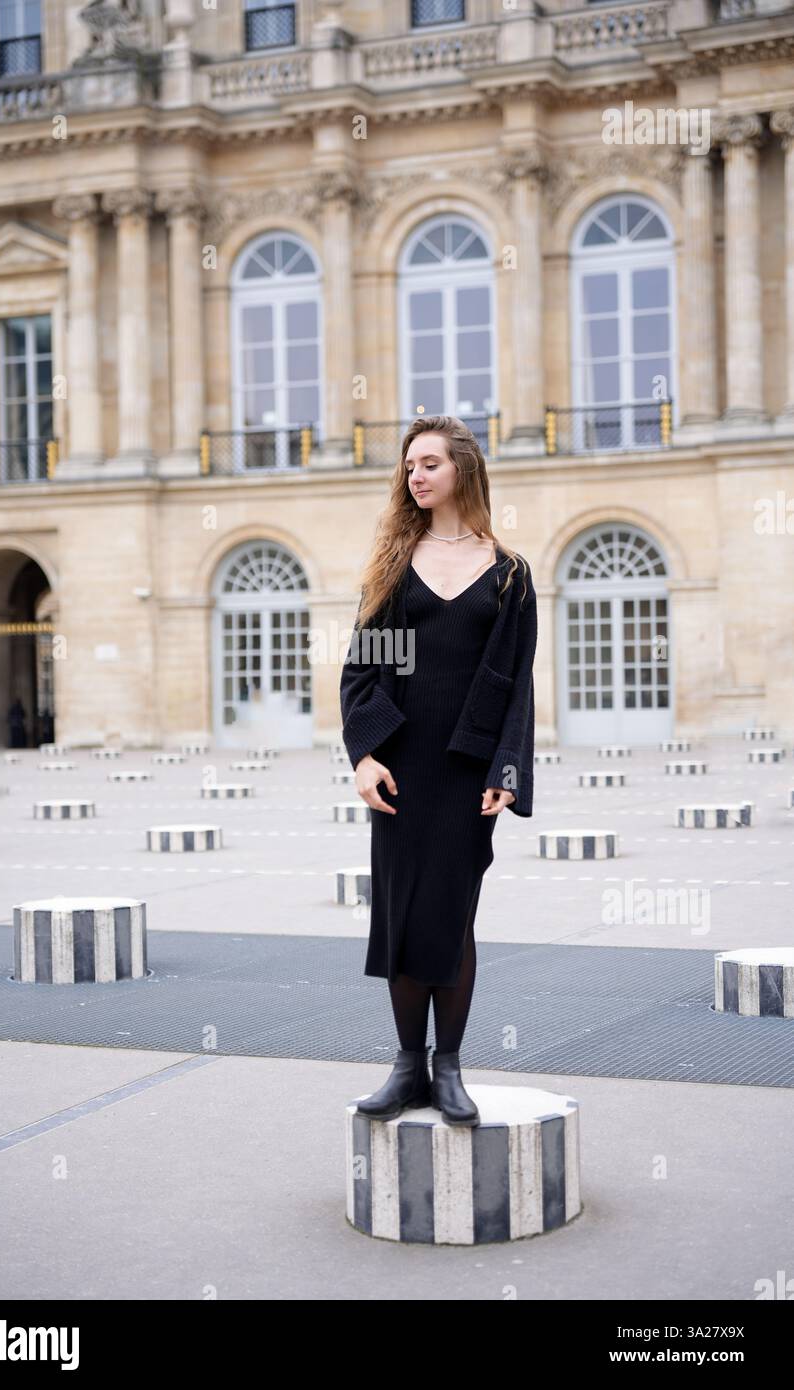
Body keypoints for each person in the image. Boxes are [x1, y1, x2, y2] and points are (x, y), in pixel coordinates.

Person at [340, 416, 537, 1127]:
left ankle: (448, 1066)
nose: (415, 475)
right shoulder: (395, 563)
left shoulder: (509, 573)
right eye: (409, 466)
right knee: (399, 911)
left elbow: (517, 683)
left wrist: (507, 767)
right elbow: (363, 672)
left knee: (452, 915)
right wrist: (363, 757)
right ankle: (405, 1066)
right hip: (398, 766)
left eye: (429, 463)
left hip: (466, 769)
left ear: (462, 469)